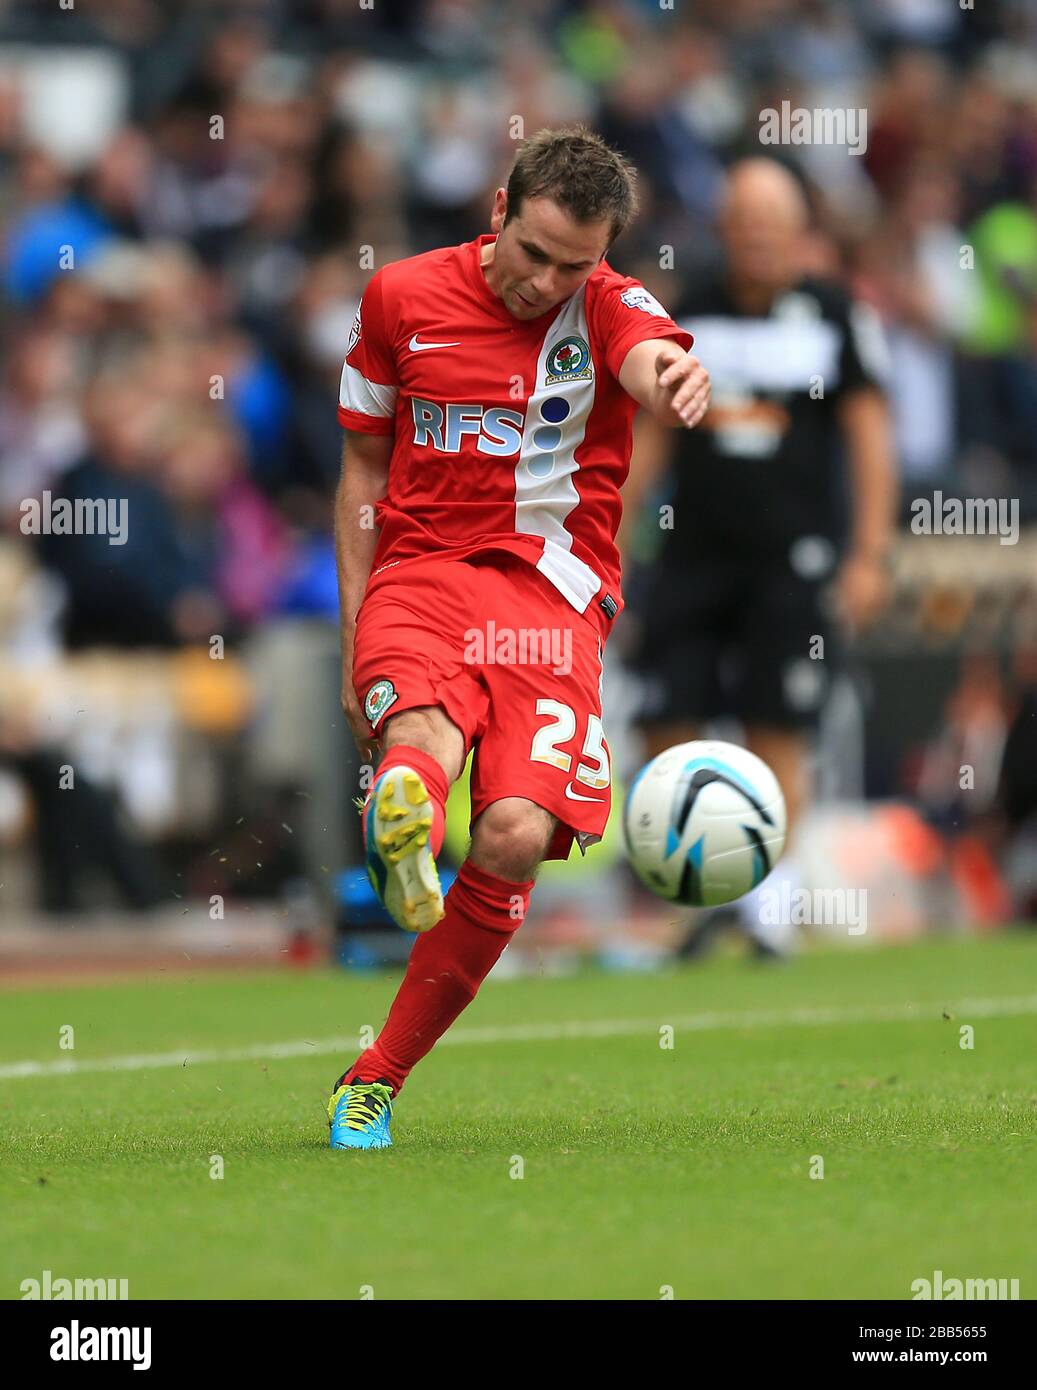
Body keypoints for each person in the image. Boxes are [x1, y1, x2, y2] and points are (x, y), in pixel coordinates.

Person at [328, 127, 710, 1149]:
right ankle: (403, 805)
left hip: (550, 602)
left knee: (506, 836)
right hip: (420, 576)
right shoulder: (399, 297)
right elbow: (362, 474)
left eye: (573, 263)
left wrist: (672, 378)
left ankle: (375, 1074)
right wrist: (353, 624)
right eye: (532, 252)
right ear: (498, 209)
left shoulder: (610, 306)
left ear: (602, 255)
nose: (546, 280)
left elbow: (647, 356)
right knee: (421, 744)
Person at [624, 158, 896, 956]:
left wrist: (870, 554)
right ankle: (697, 883)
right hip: (694, 552)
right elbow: (651, 433)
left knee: (776, 725)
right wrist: (608, 538)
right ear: (723, 231)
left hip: (794, 556)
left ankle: (766, 903)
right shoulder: (689, 311)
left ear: (798, 233)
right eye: (743, 225)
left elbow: (869, 435)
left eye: (770, 226)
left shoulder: (835, 314)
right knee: (664, 713)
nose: (756, 241)